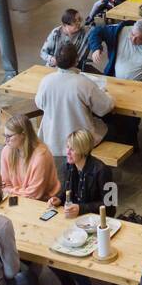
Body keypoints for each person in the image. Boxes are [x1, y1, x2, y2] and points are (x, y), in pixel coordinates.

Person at [35, 40, 114, 186]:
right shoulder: (83, 83)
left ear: (56, 60)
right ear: (77, 60)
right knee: (111, 127)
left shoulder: (46, 81)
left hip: (53, 138)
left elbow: (39, 104)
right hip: (80, 140)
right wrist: (106, 94)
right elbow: (105, 108)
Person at [0, 113, 59, 201]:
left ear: (23, 135)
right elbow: (4, 184)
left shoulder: (41, 156)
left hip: (43, 201)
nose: (5, 140)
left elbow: (34, 194)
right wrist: (13, 191)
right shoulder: (6, 150)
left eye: (9, 136)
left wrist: (10, 191)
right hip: (17, 198)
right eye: (5, 136)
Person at [51, 129, 110, 216]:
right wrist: (59, 199)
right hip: (75, 216)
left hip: (96, 220)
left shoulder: (103, 171)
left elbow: (111, 206)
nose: (67, 152)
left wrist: (81, 208)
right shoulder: (67, 166)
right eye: (67, 147)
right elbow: (66, 192)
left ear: (83, 150)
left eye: (73, 149)